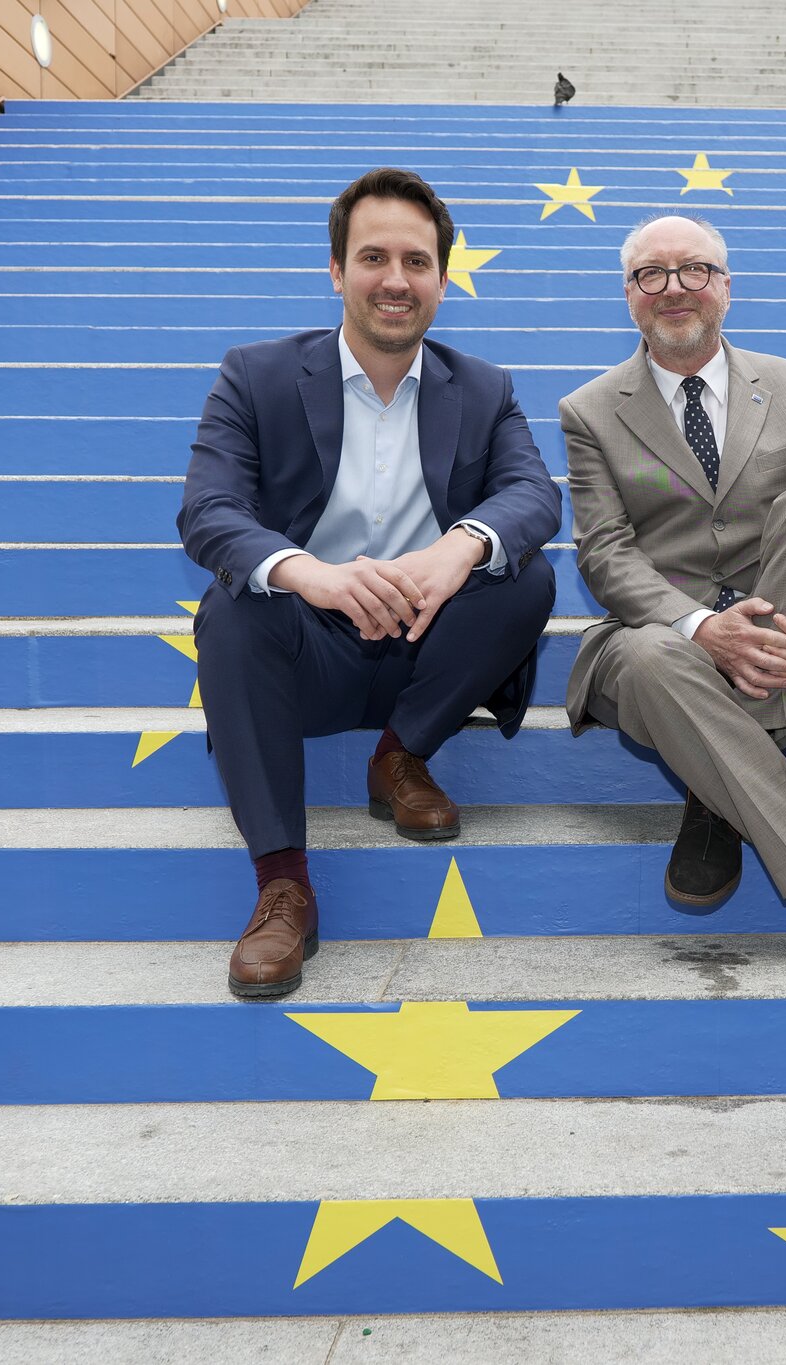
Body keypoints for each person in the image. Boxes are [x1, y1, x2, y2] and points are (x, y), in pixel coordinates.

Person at [180, 168, 561, 999]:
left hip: (432, 650)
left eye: (417, 262)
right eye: (374, 258)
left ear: (443, 279)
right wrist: (309, 574)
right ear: (336, 270)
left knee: (524, 574)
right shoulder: (255, 374)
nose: (396, 280)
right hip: (306, 652)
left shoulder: (486, 388)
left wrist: (458, 547)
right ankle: (283, 886)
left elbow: (536, 495)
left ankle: (400, 756)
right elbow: (207, 512)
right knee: (232, 606)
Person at [559, 213, 786, 983]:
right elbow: (603, 550)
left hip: (785, 625)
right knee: (657, 654)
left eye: (693, 270)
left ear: (725, 287)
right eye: (650, 275)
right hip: (660, 639)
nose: (673, 289)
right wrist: (699, 627)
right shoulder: (590, 409)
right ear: (629, 296)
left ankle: (714, 789)